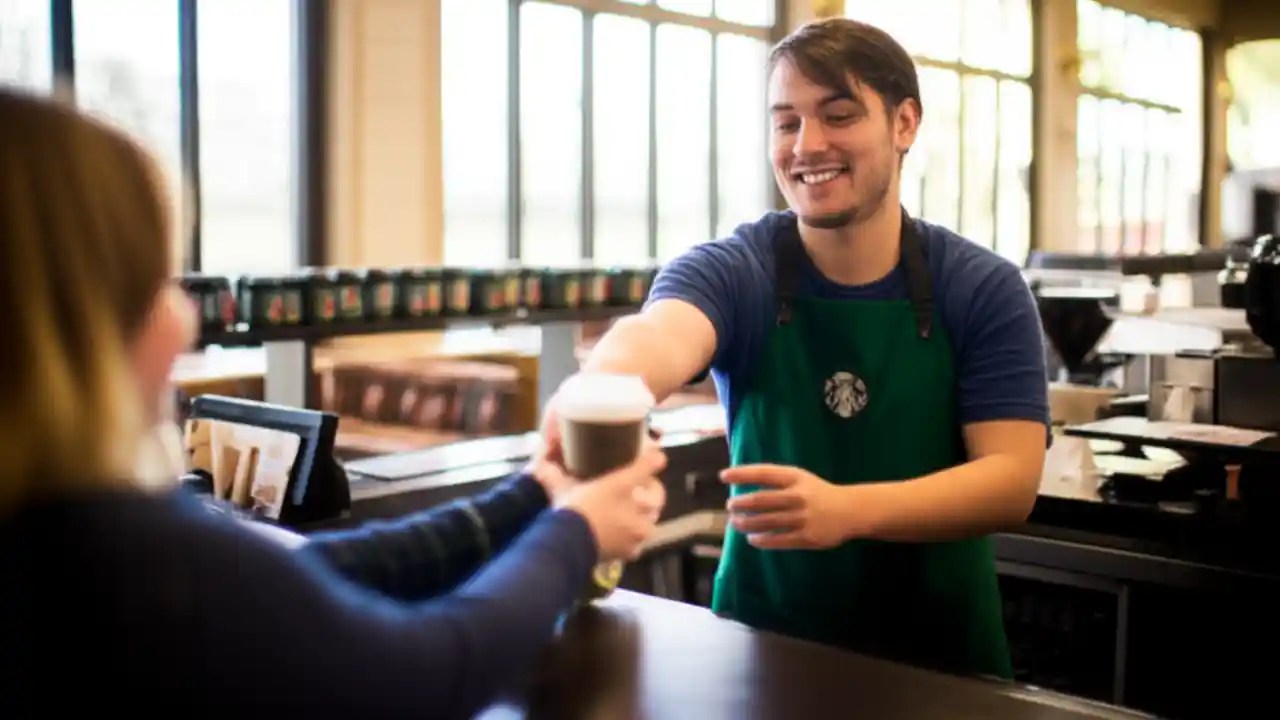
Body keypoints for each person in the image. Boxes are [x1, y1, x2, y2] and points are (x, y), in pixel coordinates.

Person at [0, 88, 666, 718]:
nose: (185, 321)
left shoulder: (76, 545)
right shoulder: (136, 571)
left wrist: (535, 497)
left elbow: (312, 577)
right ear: (73, 329)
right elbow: (430, 671)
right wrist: (574, 536)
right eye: (159, 286)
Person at [542, 18, 1048, 680]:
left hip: (941, 668)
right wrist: (596, 393)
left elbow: (1011, 481)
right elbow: (658, 335)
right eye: (786, 123)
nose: (808, 145)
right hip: (761, 652)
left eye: (838, 116)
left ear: (904, 125)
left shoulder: (980, 286)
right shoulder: (738, 269)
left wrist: (847, 510)